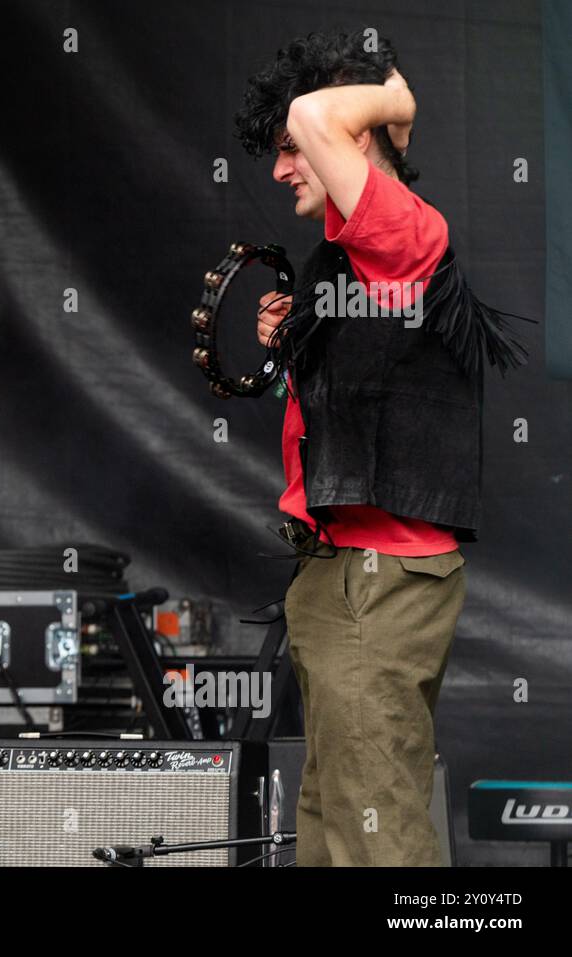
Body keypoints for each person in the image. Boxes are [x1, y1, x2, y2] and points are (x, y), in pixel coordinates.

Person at [234, 32, 525, 865]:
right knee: (333, 829)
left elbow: (313, 112)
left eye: (292, 150)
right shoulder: (352, 254)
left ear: (350, 133)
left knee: (377, 841)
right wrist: (302, 339)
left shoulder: (400, 226)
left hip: (378, 581)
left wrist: (396, 101)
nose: (284, 165)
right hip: (342, 576)